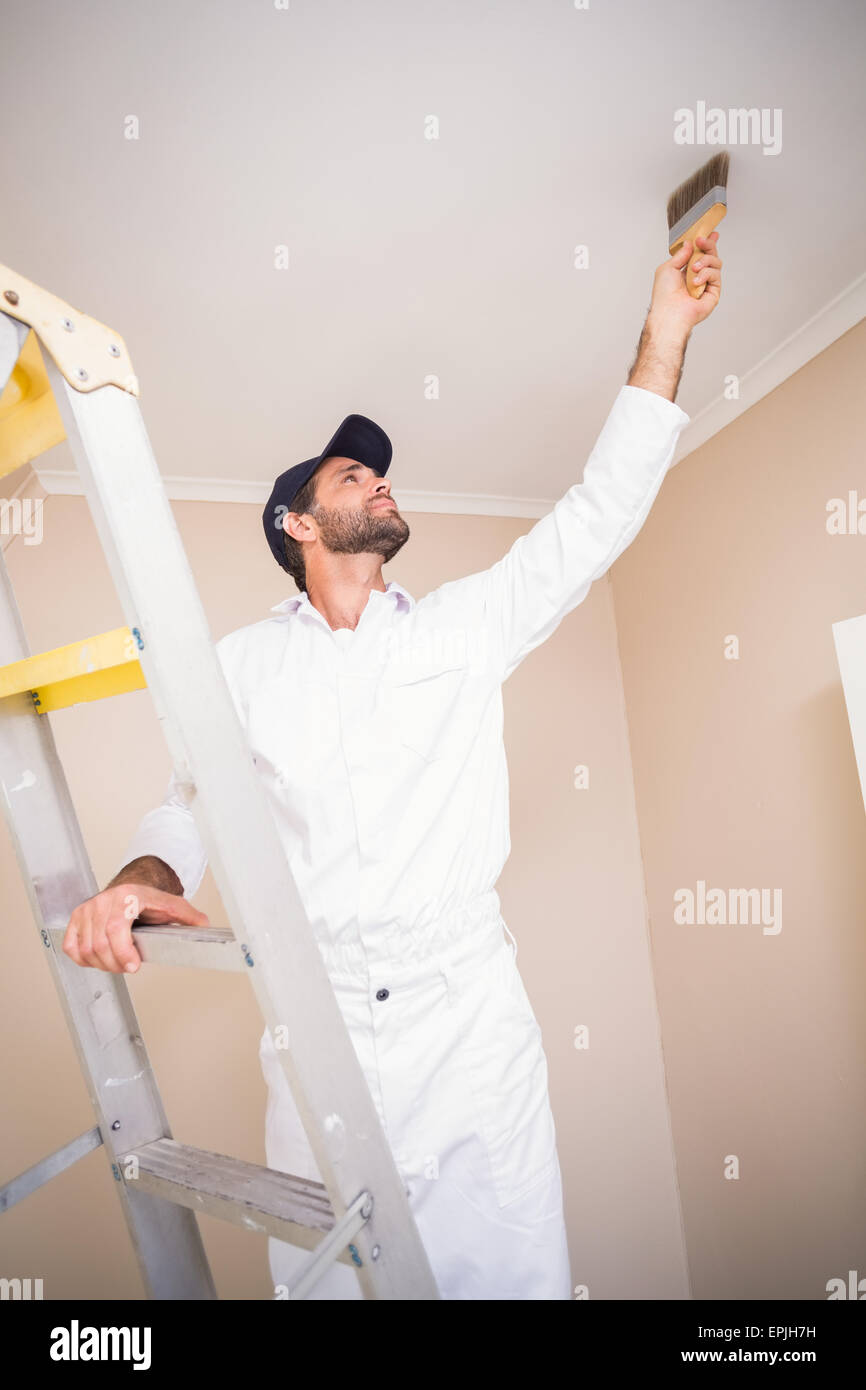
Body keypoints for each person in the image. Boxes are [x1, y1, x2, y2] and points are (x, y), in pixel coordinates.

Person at [62, 235, 722, 1299]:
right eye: (351, 474)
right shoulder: (239, 663)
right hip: (314, 1031)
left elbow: (596, 516)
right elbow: (187, 809)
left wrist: (666, 330)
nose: (379, 483)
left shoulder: (461, 628)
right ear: (296, 523)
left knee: (508, 1277)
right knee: (324, 1283)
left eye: (381, 472)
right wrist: (138, 887)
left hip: (467, 1024)